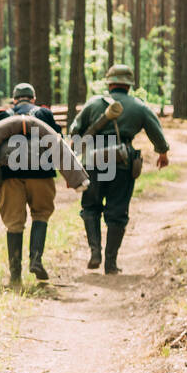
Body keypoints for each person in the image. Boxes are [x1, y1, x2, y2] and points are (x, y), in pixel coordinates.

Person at [69, 64, 170, 274]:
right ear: (129, 85)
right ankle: (110, 263)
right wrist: (162, 152)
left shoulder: (94, 103)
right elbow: (155, 131)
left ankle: (94, 251)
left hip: (92, 162)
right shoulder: (139, 106)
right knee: (117, 212)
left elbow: (75, 131)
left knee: (90, 207)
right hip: (122, 162)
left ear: (110, 82)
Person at [0, 82, 62, 287]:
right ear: (33, 99)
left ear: (14, 99)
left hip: (10, 176)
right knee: (41, 214)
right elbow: (58, 139)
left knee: (14, 223)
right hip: (41, 174)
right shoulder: (44, 114)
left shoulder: (4, 115)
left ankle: (15, 276)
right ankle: (36, 260)